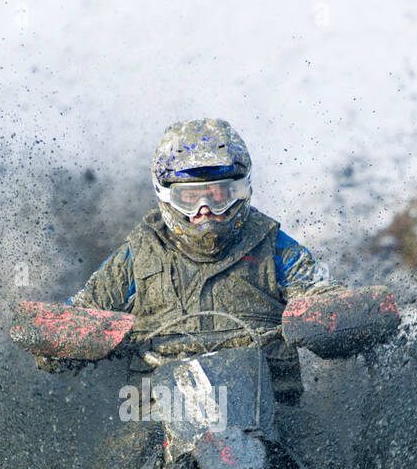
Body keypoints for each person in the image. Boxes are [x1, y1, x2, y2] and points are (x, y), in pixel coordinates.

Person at [43, 117, 344, 404]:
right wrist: (53, 338)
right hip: (157, 414)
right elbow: (82, 313)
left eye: (218, 194)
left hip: (271, 411)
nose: (205, 210)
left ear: (240, 191)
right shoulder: (138, 255)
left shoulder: (274, 247)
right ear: (165, 197)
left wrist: (340, 315)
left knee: (324, 451)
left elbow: (323, 294)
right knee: (118, 456)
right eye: (190, 198)